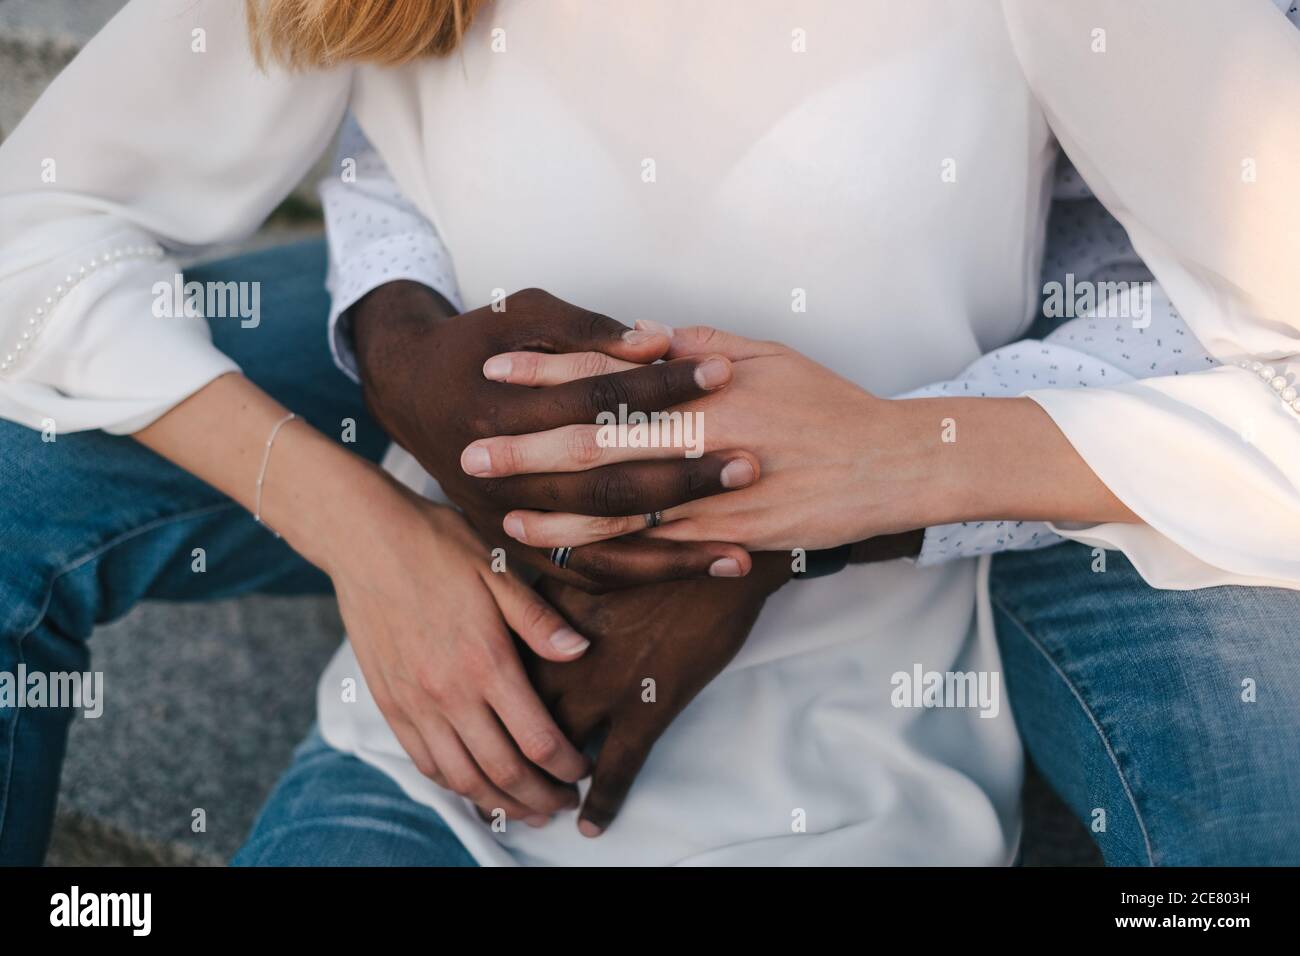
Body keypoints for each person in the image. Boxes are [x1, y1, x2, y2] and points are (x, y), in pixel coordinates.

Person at [1, 0, 1298, 866]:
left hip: (843, 794)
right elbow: (39, 220)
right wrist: (363, 529)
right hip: (429, 773)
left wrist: (883, 477)